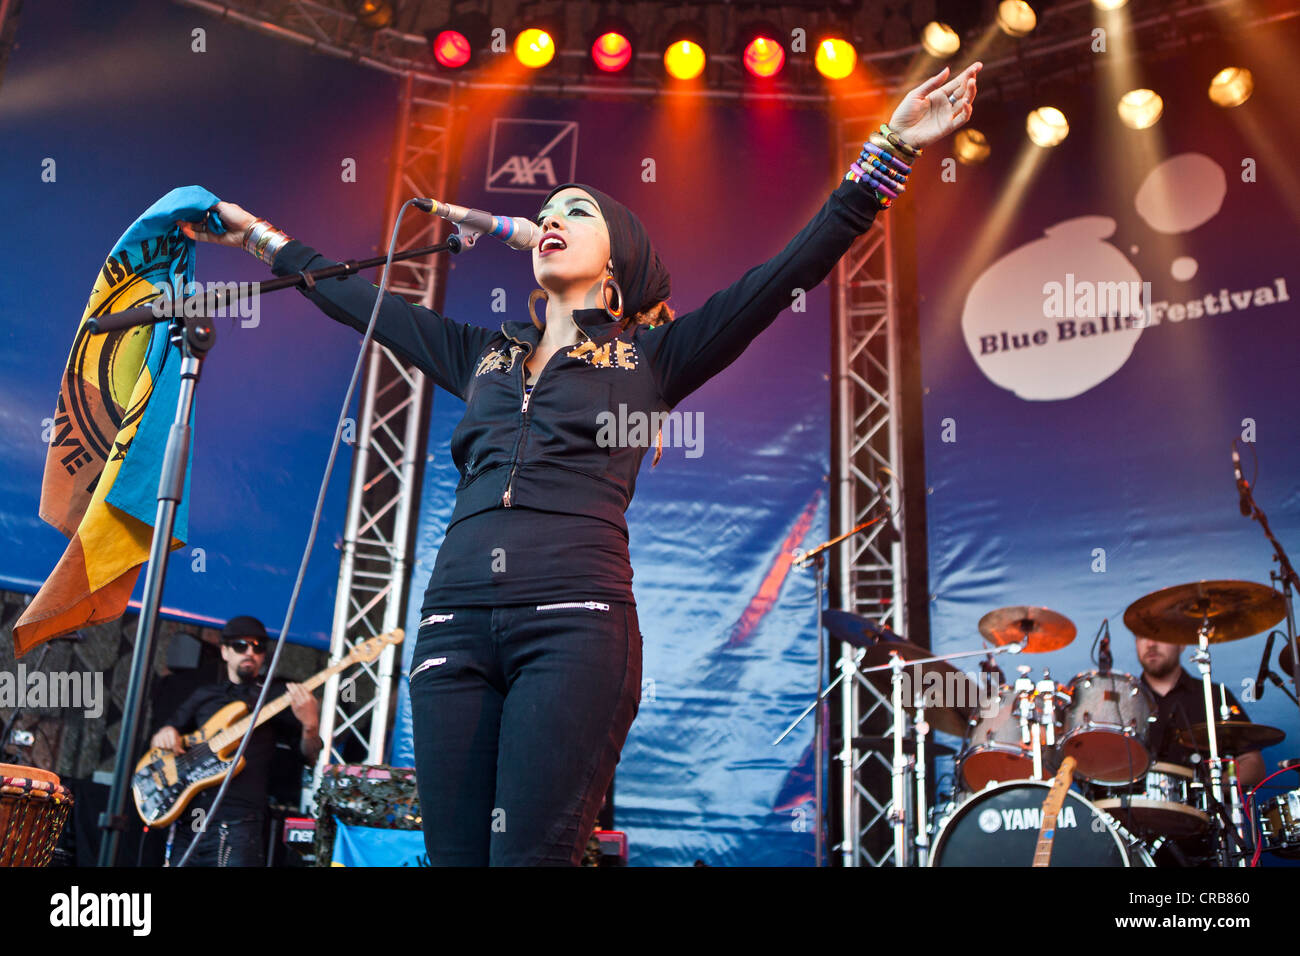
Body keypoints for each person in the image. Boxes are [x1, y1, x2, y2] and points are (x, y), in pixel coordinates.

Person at [182, 63, 982, 865]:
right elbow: (358, 302)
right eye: (545, 211)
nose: (551, 218)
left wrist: (890, 149)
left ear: (615, 261)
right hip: (452, 626)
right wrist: (255, 234)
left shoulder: (653, 357)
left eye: (576, 211)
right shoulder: (484, 352)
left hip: (575, 626)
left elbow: (786, 275)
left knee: (531, 855)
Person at [150, 615, 322, 867]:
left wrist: (310, 724)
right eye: (241, 646)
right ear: (225, 651)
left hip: (241, 823)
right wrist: (165, 734)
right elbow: (161, 737)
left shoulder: (275, 700)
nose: (250, 652)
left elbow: (310, 756)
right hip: (192, 820)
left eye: (258, 646)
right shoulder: (204, 695)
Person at [1136, 634, 1265, 790]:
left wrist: (1215, 790)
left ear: (1182, 643)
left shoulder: (1213, 695)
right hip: (1130, 810)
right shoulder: (1123, 702)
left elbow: (1252, 762)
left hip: (1203, 809)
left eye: (1160, 634)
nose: (1151, 643)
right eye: (1142, 636)